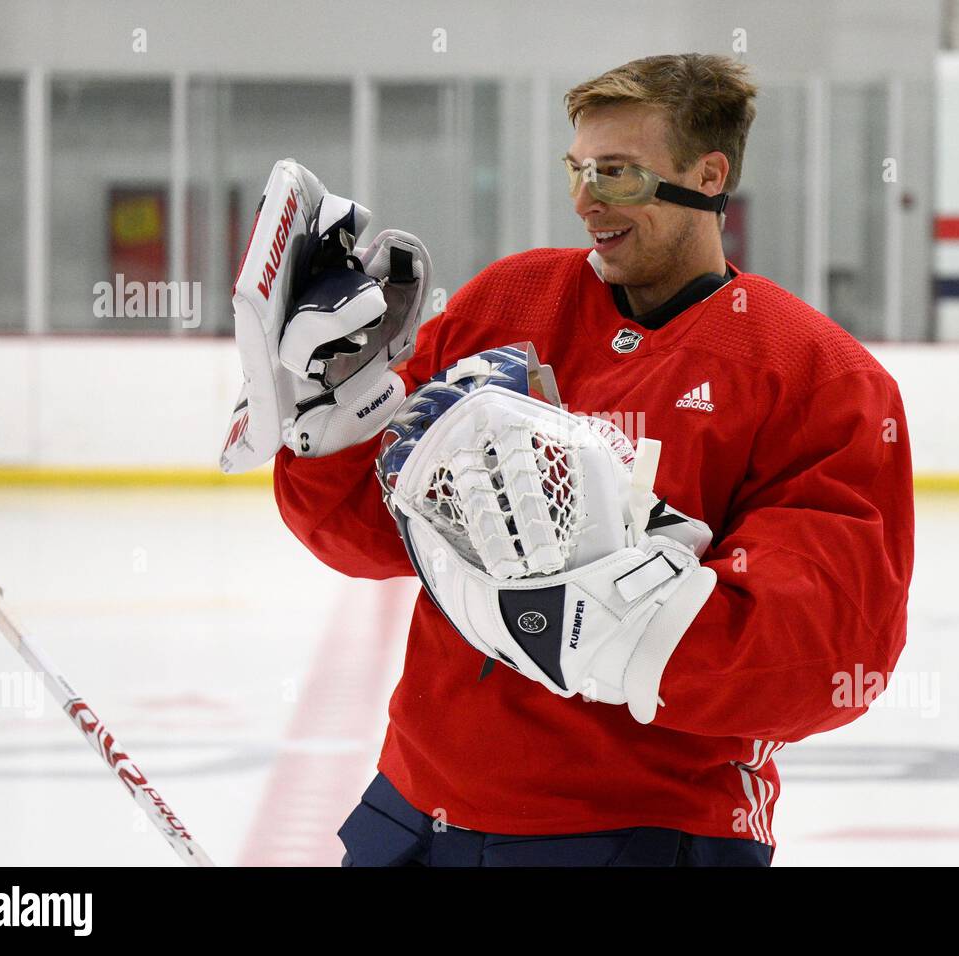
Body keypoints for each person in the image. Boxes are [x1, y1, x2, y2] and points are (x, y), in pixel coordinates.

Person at [227, 53, 914, 866]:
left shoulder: (814, 376)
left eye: (618, 174)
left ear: (709, 174)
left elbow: (835, 652)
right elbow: (365, 536)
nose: (588, 199)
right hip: (417, 809)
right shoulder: (508, 303)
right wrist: (337, 411)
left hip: (646, 834)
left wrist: (609, 614)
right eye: (577, 170)